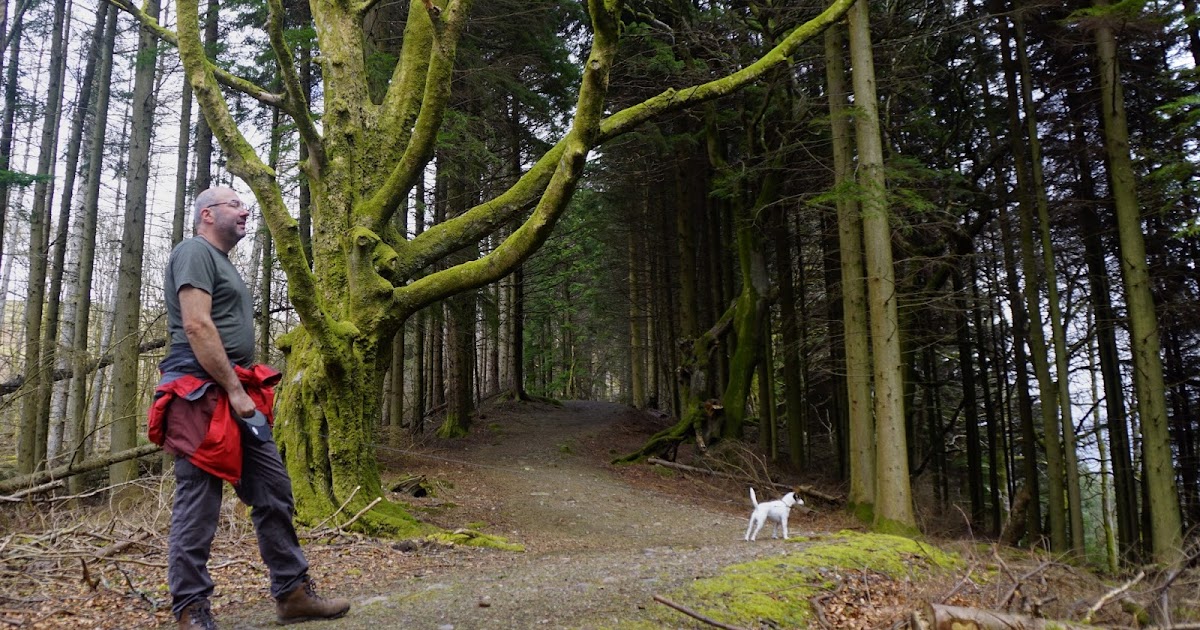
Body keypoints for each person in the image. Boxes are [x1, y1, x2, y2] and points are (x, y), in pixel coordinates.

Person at [148, 186, 350, 629]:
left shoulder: (223, 263)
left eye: (244, 205)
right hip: (201, 392)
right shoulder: (193, 251)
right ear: (207, 214)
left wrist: (242, 392)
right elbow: (197, 325)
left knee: (274, 491)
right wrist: (235, 392)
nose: (245, 211)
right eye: (236, 204)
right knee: (198, 501)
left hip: (236, 390)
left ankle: (293, 593)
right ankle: (191, 610)